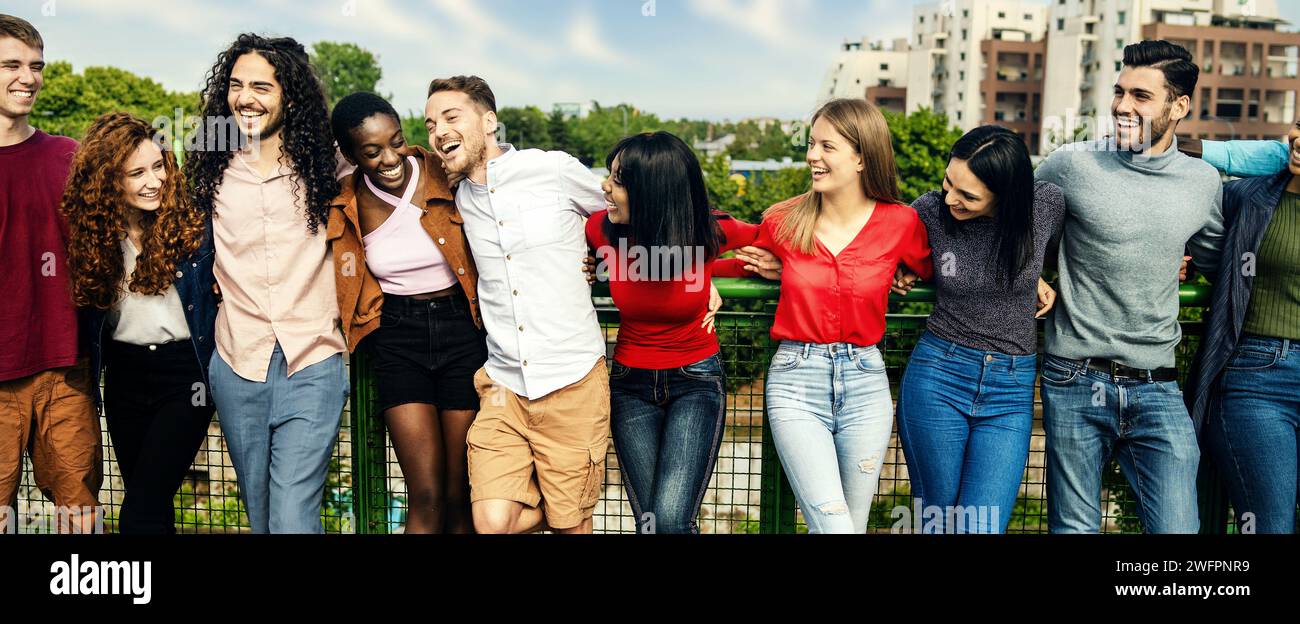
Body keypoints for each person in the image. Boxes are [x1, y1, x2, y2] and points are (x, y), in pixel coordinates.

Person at [1034, 40, 1224, 534]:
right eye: (1119, 92)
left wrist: (1177, 262)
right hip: (1073, 377)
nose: (1121, 105)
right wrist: (1033, 272)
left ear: (1178, 106)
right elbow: (1010, 228)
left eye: (1141, 95)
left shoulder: (1203, 182)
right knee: (1074, 530)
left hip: (1158, 386)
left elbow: (1218, 263)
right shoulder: (1071, 165)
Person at [425, 75, 609, 534]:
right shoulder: (455, 197)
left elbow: (620, 221)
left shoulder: (554, 170)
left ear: (489, 121)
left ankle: (568, 509)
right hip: (503, 385)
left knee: (571, 527)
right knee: (490, 523)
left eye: (451, 117)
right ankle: (563, 502)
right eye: (430, 124)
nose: (439, 131)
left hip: (572, 381)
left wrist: (603, 264)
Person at [745, 98, 933, 534]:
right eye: (812, 144)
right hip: (796, 383)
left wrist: (1032, 276)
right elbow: (733, 260)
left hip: (866, 383)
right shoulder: (784, 221)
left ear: (862, 157)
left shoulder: (900, 223)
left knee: (851, 524)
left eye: (827, 147)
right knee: (835, 527)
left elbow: (941, 268)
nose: (812, 156)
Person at [184, 34, 348, 534]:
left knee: (294, 516)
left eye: (261, 85)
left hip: (313, 360)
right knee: (261, 516)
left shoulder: (329, 165)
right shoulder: (209, 167)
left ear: (290, 95)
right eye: (235, 85)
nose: (245, 97)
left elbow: (396, 173)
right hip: (237, 363)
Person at [586, 131, 766, 534]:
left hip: (695, 383)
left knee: (669, 520)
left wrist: (730, 271)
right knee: (650, 522)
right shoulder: (600, 230)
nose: (605, 187)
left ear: (651, 191)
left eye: (617, 180)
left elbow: (778, 235)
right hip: (630, 385)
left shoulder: (708, 230)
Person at [890, 125, 1065, 533]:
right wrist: (903, 268)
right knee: (937, 519)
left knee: (981, 526)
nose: (951, 198)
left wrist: (1039, 277)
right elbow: (875, 251)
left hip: (1010, 388)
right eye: (949, 182)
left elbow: (1068, 254)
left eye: (968, 195)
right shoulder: (929, 211)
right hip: (939, 375)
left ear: (1006, 195)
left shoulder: (1045, 205)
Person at [328, 92, 485, 534]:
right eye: (372, 151)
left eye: (396, 141)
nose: (389, 157)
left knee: (460, 495)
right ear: (350, 154)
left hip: (462, 330)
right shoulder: (346, 204)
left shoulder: (443, 174)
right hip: (398, 337)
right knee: (426, 496)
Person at [65, 113, 217, 534]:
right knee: (148, 498)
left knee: (141, 507)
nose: (154, 181)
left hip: (186, 377)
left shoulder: (195, 228)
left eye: (159, 166)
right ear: (110, 179)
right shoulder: (95, 236)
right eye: (137, 173)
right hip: (124, 378)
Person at [0, 13, 101, 533]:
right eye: (12, 64)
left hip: (65, 365)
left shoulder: (68, 156)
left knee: (79, 512)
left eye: (36, 66)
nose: (28, 77)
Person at [1185, 124, 1299, 534]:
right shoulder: (1248, 196)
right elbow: (1187, 205)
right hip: (1258, 378)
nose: (1298, 139)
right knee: (1271, 525)